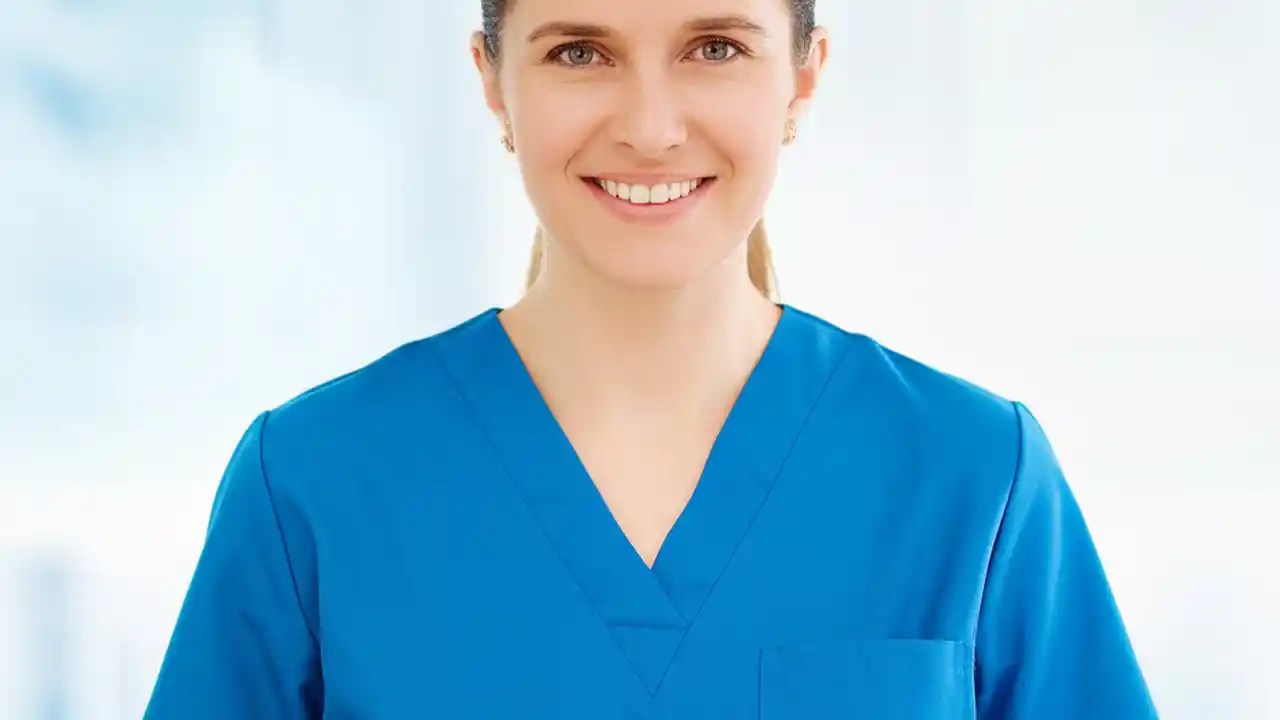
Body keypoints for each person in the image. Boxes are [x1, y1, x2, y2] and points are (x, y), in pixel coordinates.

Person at [144, 0, 1159, 717]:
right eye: (578, 52)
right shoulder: (313, 480)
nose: (649, 126)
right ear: (491, 83)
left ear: (802, 74)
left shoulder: (971, 473)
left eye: (713, 46)